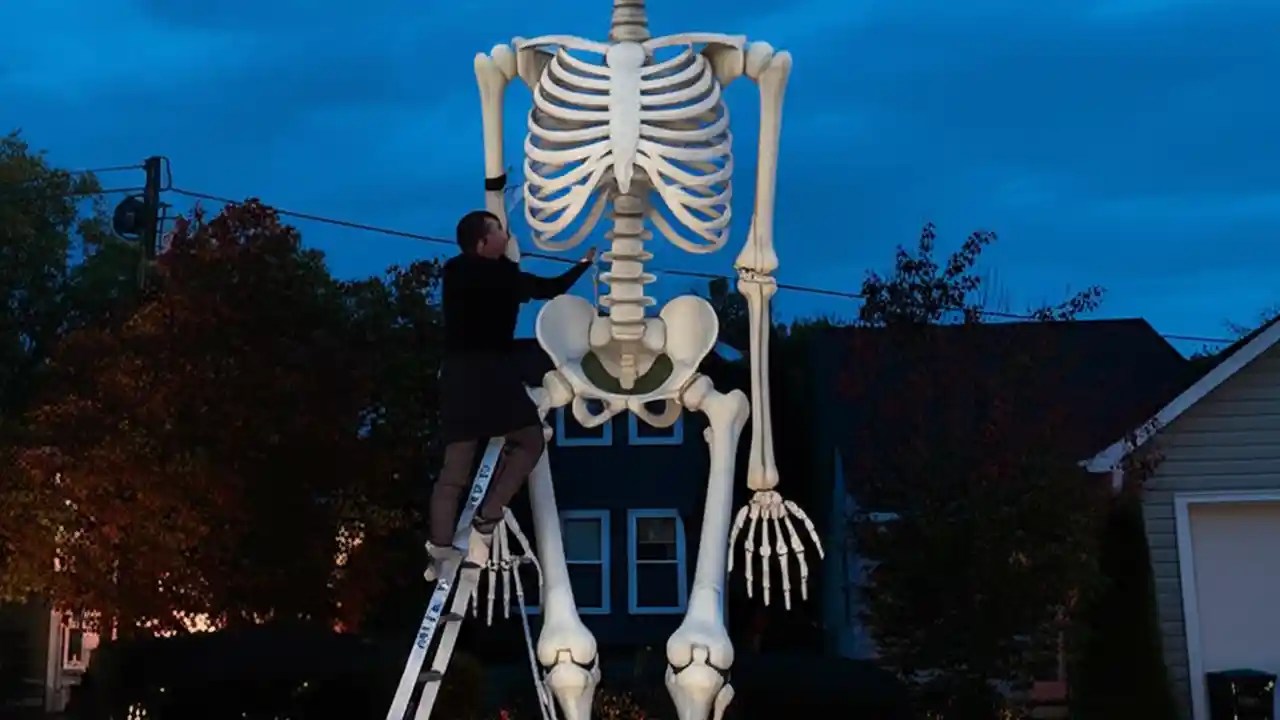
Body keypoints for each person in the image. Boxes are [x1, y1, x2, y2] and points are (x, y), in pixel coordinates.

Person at [426, 209, 595, 575]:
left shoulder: (453, 273)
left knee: (454, 470)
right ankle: (487, 518)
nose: (507, 237)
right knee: (531, 440)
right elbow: (551, 289)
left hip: (456, 376)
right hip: (491, 374)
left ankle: (439, 552)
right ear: (484, 242)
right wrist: (583, 264)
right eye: (499, 231)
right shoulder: (503, 276)